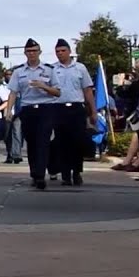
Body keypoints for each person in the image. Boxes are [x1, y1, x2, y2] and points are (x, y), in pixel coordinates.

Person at [8, 38, 60, 190]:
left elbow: (57, 92)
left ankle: (40, 175)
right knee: (32, 143)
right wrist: (8, 111)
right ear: (25, 53)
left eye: (34, 51)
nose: (32, 54)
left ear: (40, 52)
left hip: (46, 108)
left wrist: (44, 86)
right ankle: (34, 173)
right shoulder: (19, 72)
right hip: (28, 109)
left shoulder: (49, 70)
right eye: (29, 51)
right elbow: (13, 92)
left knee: (43, 141)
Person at [49, 38, 95, 187]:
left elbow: (87, 90)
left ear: (69, 51)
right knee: (61, 143)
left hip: (76, 108)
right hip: (58, 108)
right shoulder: (52, 69)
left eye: (63, 51)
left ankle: (77, 172)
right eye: (57, 51)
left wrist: (93, 111)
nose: (60, 54)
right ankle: (65, 174)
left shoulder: (80, 68)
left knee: (77, 142)